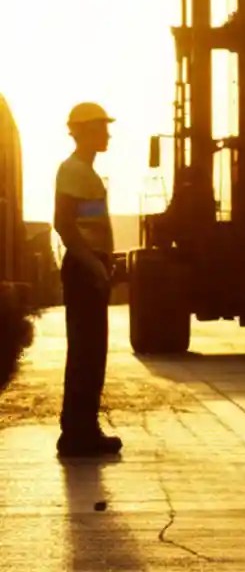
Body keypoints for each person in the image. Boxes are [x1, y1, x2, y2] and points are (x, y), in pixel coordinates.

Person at [52, 102, 121, 457]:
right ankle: (78, 432)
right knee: (85, 350)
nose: (106, 134)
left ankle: (82, 428)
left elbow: (86, 223)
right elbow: (64, 224)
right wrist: (93, 265)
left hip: (90, 266)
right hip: (83, 269)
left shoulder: (86, 174)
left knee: (92, 351)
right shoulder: (73, 170)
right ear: (80, 132)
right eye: (99, 128)